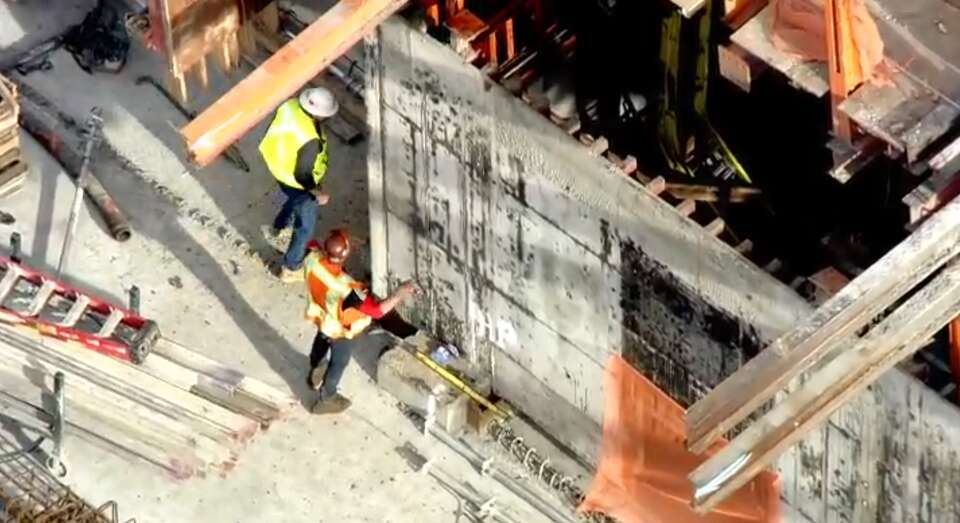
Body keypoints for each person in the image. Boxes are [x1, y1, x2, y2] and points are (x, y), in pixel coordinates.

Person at [304, 230, 419, 415]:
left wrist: (342, 244)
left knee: (322, 337)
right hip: (341, 330)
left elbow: (312, 243)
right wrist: (400, 292)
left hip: (321, 313)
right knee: (339, 362)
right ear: (344, 254)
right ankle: (327, 398)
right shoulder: (348, 287)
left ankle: (316, 367)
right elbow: (377, 310)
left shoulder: (312, 258)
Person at [259, 87, 338, 283]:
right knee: (305, 226)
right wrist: (317, 193)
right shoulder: (310, 139)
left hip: (278, 166)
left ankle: (278, 229)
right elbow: (303, 175)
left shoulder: (290, 106)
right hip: (297, 180)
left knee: (292, 201)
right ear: (320, 115)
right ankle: (291, 267)